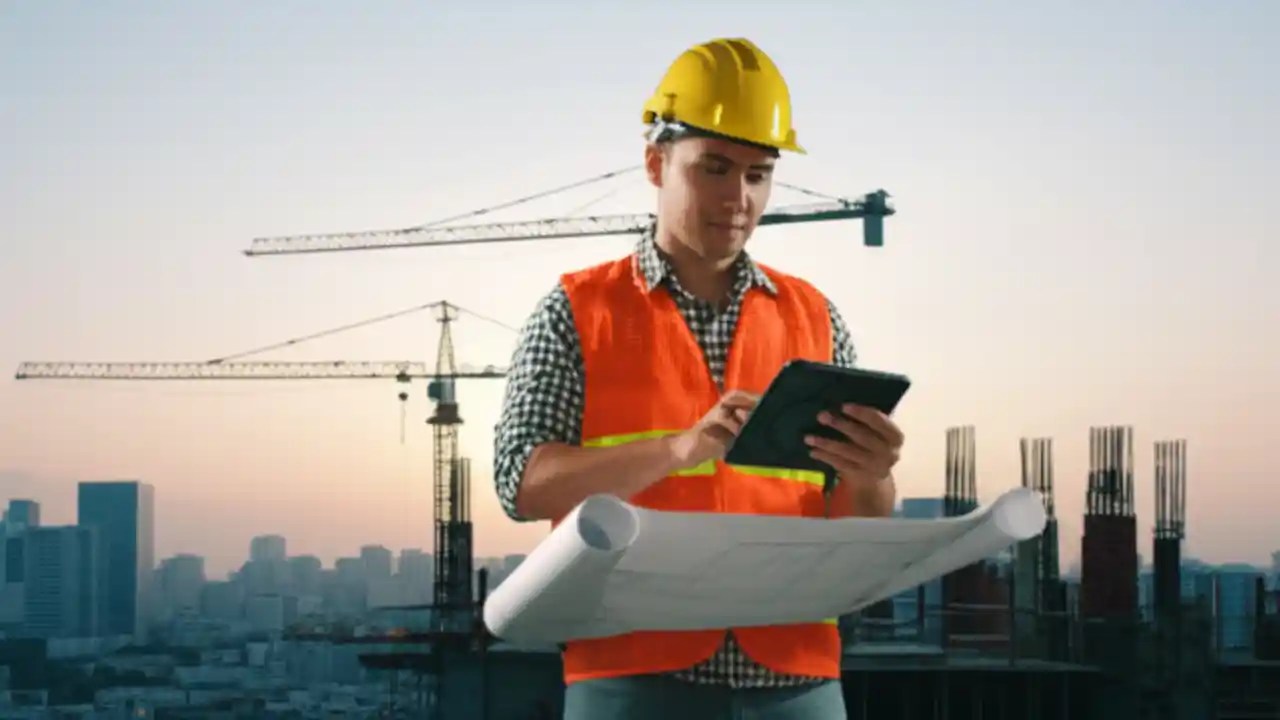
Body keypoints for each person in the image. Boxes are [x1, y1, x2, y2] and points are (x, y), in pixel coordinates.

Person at [492, 37, 904, 720]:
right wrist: (681, 450)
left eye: (757, 174)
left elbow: (852, 524)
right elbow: (522, 485)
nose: (737, 198)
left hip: (798, 681)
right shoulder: (577, 311)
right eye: (713, 168)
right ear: (656, 163)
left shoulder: (816, 317)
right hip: (630, 675)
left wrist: (872, 477)